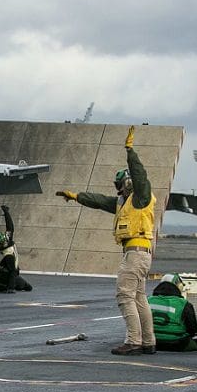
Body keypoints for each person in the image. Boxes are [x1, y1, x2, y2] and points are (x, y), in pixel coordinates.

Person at [56, 125, 156, 355]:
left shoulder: (141, 197)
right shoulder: (125, 203)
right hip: (140, 253)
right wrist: (76, 196)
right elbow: (100, 201)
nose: (118, 189)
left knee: (124, 296)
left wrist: (130, 151)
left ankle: (134, 341)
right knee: (139, 297)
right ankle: (148, 342)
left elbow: (140, 175)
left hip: (136, 253)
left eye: (119, 185)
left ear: (128, 183)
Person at [148, 273, 197, 351]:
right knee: (196, 344)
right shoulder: (184, 304)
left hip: (150, 341)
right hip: (175, 342)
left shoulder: (148, 300)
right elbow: (192, 328)